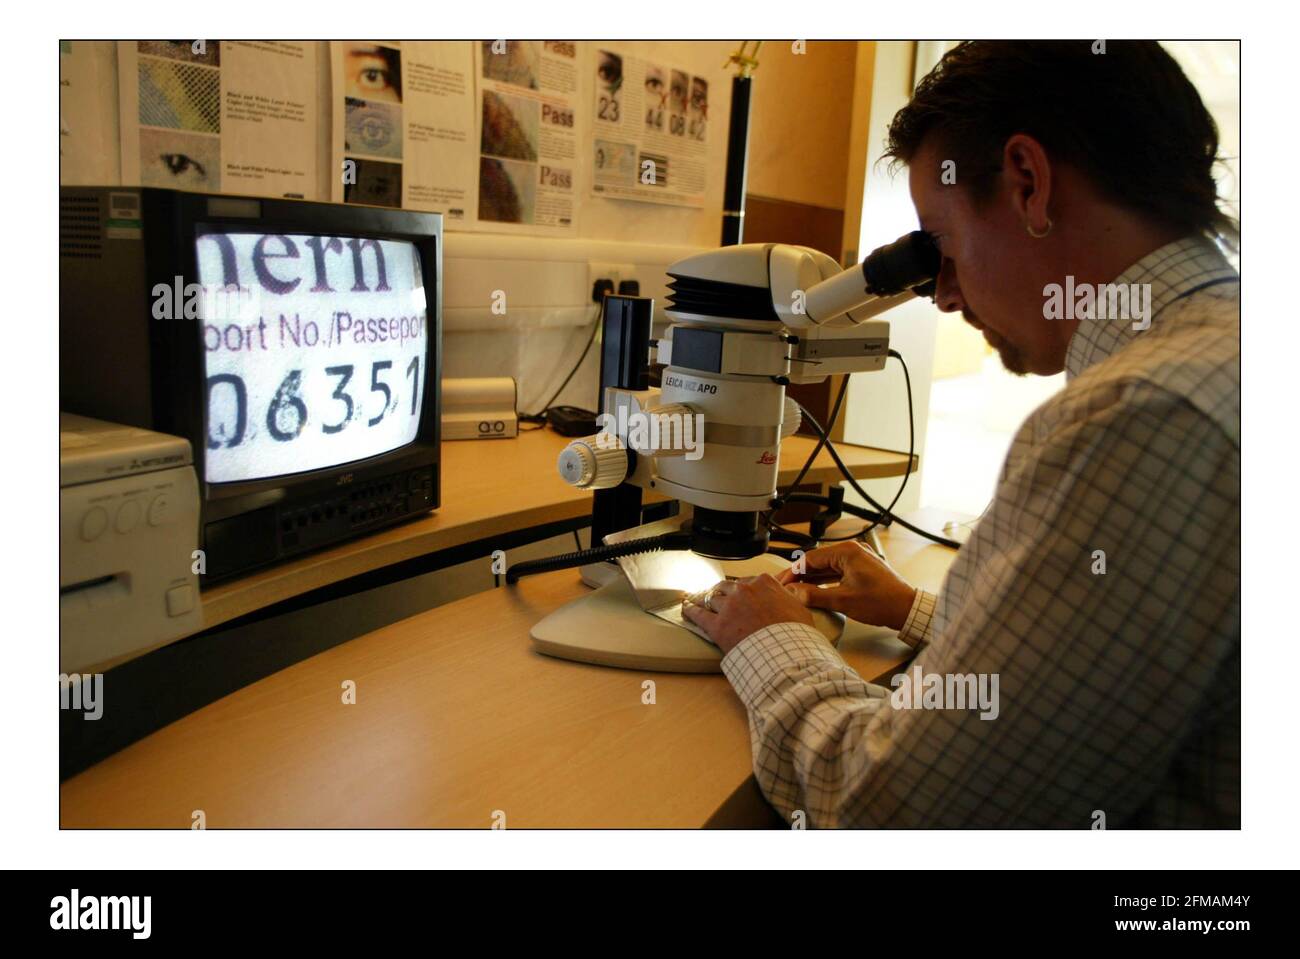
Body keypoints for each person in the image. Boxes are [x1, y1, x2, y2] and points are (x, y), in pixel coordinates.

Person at [682, 40, 1240, 828]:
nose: (941, 294)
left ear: (1028, 182)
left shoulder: (1140, 415)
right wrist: (919, 609)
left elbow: (893, 813)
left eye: (938, 244)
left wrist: (771, 638)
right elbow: (1105, 668)